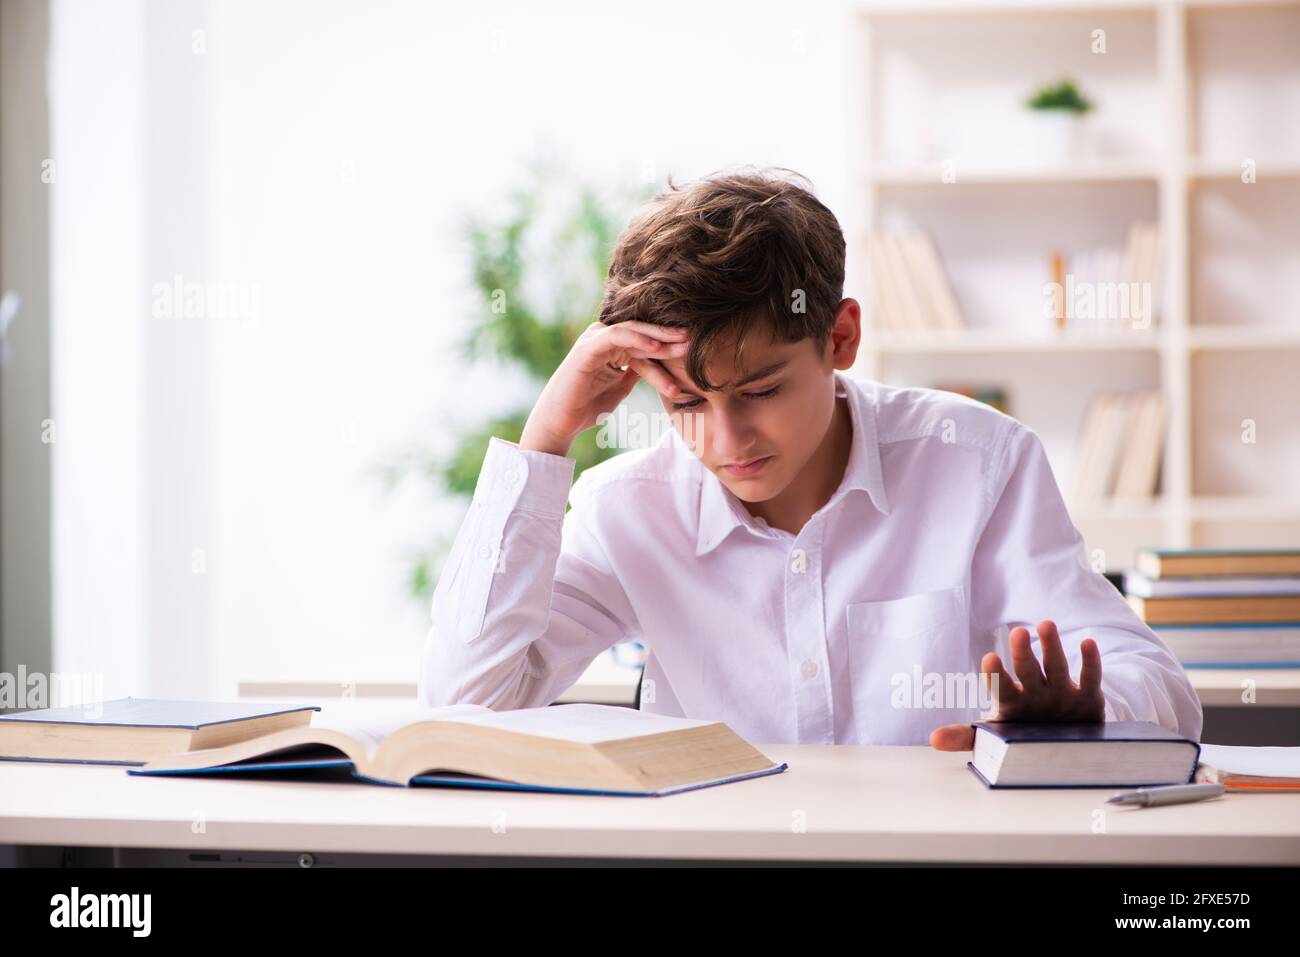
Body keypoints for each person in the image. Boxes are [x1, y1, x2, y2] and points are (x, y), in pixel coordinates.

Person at [417, 166, 1202, 750]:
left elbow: (1162, 687)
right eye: (687, 403)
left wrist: (1089, 715)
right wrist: (544, 440)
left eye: (759, 390)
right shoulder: (628, 506)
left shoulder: (978, 463)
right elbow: (464, 706)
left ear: (840, 338)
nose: (726, 443)